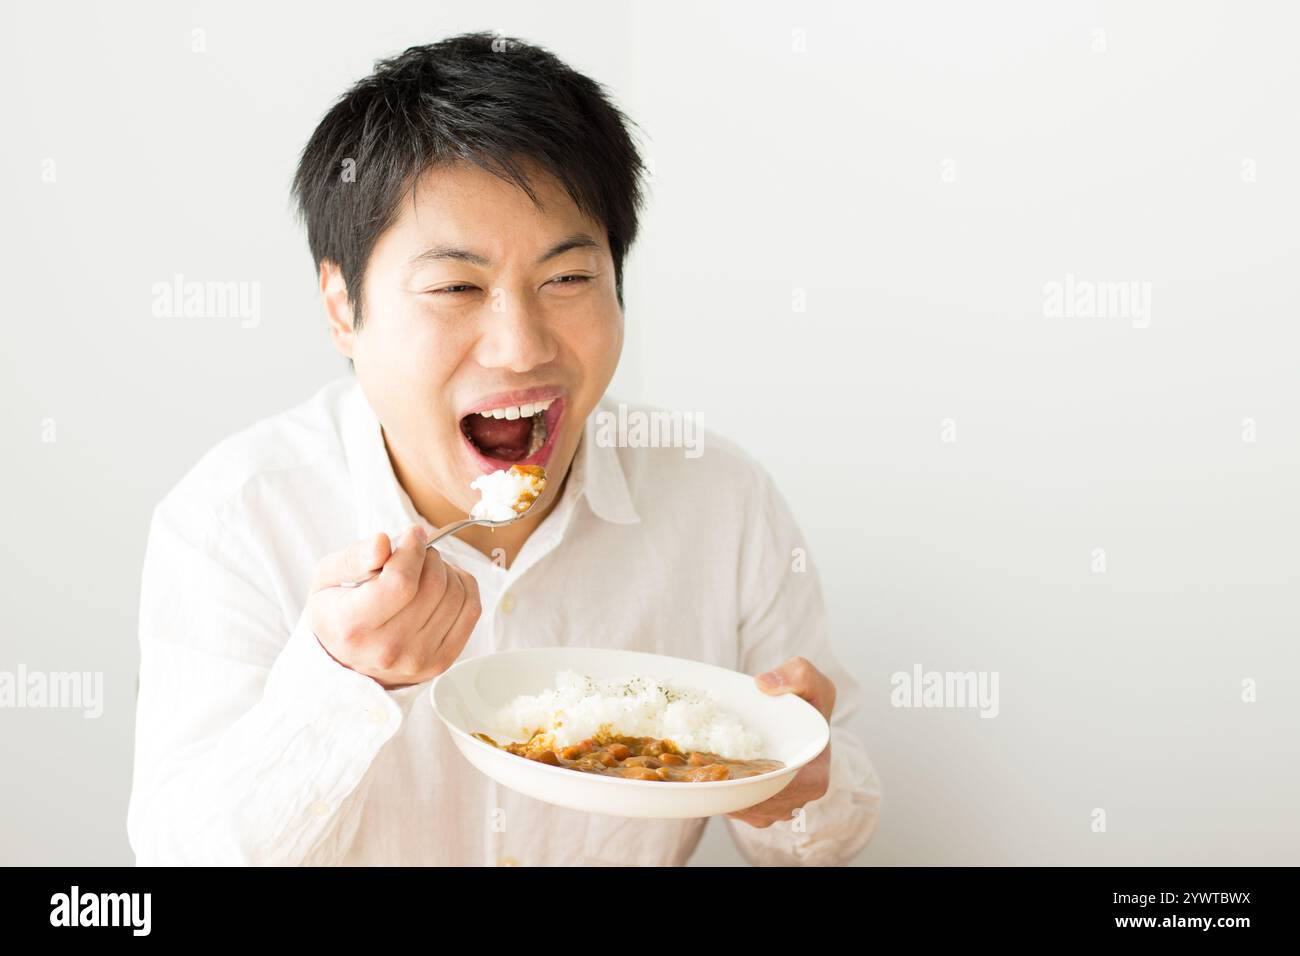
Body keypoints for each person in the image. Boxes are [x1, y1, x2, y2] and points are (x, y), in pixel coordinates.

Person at [127, 31, 882, 866]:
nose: (521, 347)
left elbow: (824, 842)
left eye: (567, 280)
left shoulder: (722, 501)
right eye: (455, 287)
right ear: (343, 309)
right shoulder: (235, 517)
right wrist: (341, 683)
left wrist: (801, 787)